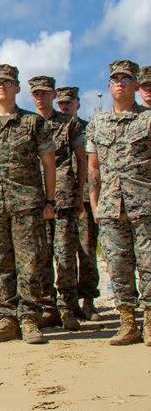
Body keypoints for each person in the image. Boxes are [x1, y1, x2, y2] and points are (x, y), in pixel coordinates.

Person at [0, 64, 56, 345]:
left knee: (29, 263)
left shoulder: (33, 123)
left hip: (27, 205)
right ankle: (7, 319)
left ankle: (29, 319)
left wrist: (50, 200)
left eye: (7, 83)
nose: (1, 87)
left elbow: (49, 164)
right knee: (1, 263)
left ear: (17, 88)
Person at [86, 60, 151, 346]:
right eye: (115, 78)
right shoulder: (98, 124)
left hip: (145, 204)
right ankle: (127, 322)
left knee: (149, 264)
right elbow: (93, 169)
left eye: (127, 78)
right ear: (109, 85)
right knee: (118, 265)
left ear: (137, 85)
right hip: (112, 206)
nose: (120, 83)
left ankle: (149, 320)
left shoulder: (148, 120)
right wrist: (95, 204)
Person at [29, 76, 87, 331]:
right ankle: (48, 308)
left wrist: (80, 193)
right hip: (35, 199)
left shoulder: (68, 123)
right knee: (40, 256)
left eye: (45, 92)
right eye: (36, 93)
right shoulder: (27, 123)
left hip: (64, 198)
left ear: (53, 95)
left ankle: (67, 307)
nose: (40, 97)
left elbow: (82, 160)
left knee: (64, 255)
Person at [56, 85, 101, 321]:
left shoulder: (88, 128)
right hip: (61, 199)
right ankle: (66, 302)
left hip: (83, 198)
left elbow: (94, 165)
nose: (64, 106)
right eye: (61, 103)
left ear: (78, 104)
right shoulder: (52, 128)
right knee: (63, 252)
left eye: (69, 103)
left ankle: (89, 301)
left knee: (86, 250)